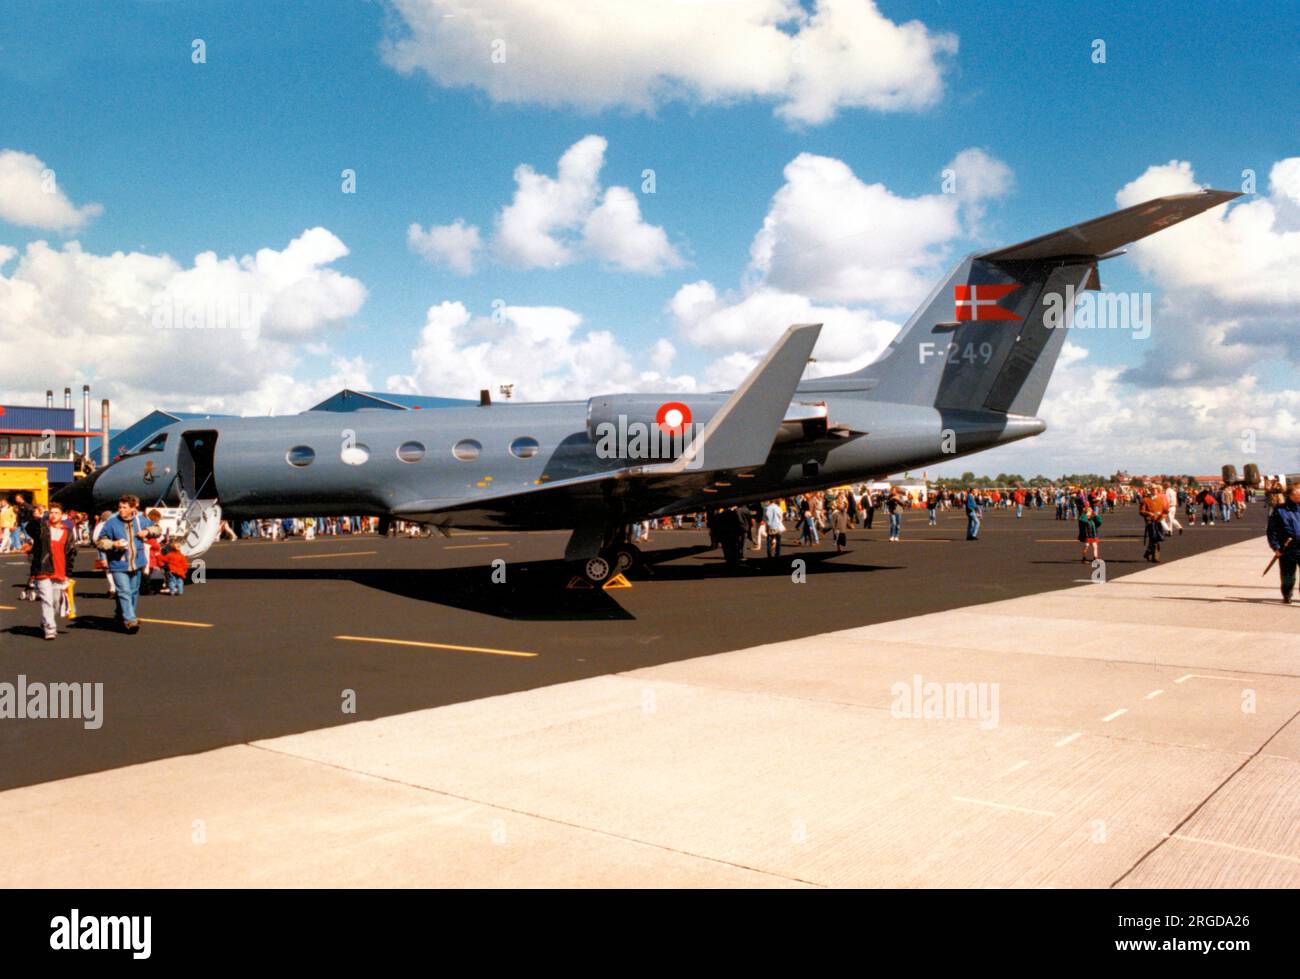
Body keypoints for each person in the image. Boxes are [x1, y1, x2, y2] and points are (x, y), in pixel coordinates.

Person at [96, 494, 160, 633]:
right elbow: (100, 541)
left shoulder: (141, 520)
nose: (121, 510)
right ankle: (130, 620)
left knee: (133, 592)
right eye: (119, 507)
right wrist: (114, 544)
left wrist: (147, 531)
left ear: (132, 508)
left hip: (136, 563)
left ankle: (120, 616)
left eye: (124, 507)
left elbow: (157, 529)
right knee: (124, 591)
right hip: (118, 563)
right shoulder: (112, 523)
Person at [25, 501, 76, 640]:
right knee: (46, 599)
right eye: (51, 513)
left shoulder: (68, 532)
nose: (53, 515)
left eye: (56, 513)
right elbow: (30, 527)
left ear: (62, 515)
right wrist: (40, 517)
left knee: (55, 602)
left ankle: (45, 621)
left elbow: (71, 554)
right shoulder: (42, 528)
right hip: (43, 569)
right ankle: (50, 629)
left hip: (59, 571)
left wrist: (68, 574)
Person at [1266, 482, 1300, 604]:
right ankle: (1287, 594)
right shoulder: (1280, 510)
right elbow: (1272, 530)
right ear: (1292, 494)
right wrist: (1276, 547)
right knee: (1288, 576)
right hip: (1287, 548)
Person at [1139, 485, 1168, 562]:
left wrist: (1162, 516)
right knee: (1153, 538)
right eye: (1153, 489)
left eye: (1156, 489)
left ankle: (1149, 554)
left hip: (1158, 521)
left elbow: (1165, 511)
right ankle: (1154, 556)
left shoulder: (1161, 499)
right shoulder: (1145, 500)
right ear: (1150, 490)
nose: (1155, 490)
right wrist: (1148, 513)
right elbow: (1141, 511)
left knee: (1157, 538)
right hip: (1150, 522)